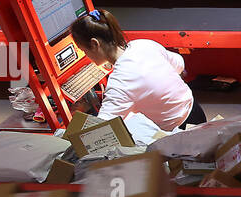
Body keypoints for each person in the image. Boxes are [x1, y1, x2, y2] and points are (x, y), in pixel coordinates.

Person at [71, 9, 204, 131]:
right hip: (197, 112)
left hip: (182, 132)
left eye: (84, 50)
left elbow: (102, 129)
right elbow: (179, 64)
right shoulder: (143, 44)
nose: (86, 56)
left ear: (95, 44)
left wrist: (87, 111)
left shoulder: (121, 81)